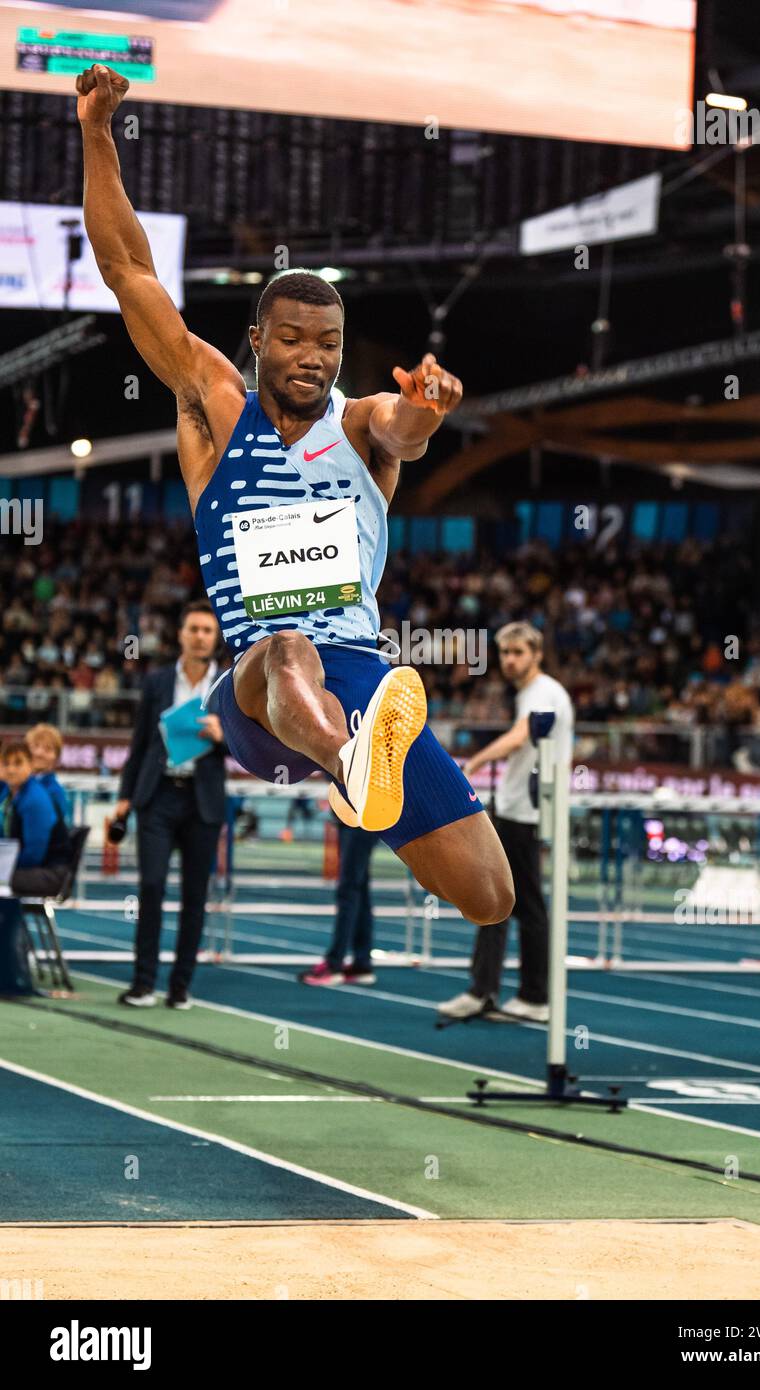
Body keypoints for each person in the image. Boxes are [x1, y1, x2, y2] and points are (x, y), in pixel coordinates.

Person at [77, 64, 514, 933]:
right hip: (256, 686)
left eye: (330, 344)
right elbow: (128, 270)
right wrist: (95, 133)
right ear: (256, 340)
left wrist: (426, 407)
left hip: (357, 672)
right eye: (292, 340)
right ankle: (353, 766)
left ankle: (363, 764)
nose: (312, 357)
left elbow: (405, 428)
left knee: (489, 895)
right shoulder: (213, 403)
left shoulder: (360, 427)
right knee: (285, 650)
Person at [438, 621, 574, 1022]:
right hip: (515, 809)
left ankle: (528, 996)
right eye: (504, 653)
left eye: (518, 652)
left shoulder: (545, 692)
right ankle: (489, 990)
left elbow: (520, 737)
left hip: (527, 815)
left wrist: (474, 763)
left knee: (519, 903)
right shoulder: (532, 693)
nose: (510, 660)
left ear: (537, 654)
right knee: (501, 900)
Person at [112, 601, 228, 1009]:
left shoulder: (229, 687)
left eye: (207, 631)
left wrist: (224, 735)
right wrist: (125, 800)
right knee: (151, 887)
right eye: (193, 629)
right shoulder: (157, 682)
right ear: (180, 634)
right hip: (157, 796)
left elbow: (253, 747)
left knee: (194, 897)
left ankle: (180, 987)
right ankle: (144, 983)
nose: (200, 636)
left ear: (216, 638)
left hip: (204, 803)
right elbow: (140, 744)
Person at [0, 741, 70, 996]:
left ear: (31, 766)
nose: (10, 770)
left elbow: (34, 854)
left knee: (2, 891)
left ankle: (13, 975)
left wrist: (4, 870)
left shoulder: (35, 799)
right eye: (6, 764)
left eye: (18, 764)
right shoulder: (9, 796)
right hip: (19, 869)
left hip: (49, 873)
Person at [301, 821, 379, 986]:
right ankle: (362, 964)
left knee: (348, 890)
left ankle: (334, 965)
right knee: (360, 890)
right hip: (358, 819)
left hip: (358, 819)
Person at [25, 723, 72, 825]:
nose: (39, 753)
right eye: (35, 746)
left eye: (48, 749)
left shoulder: (54, 792)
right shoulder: (11, 784)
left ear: (56, 757)